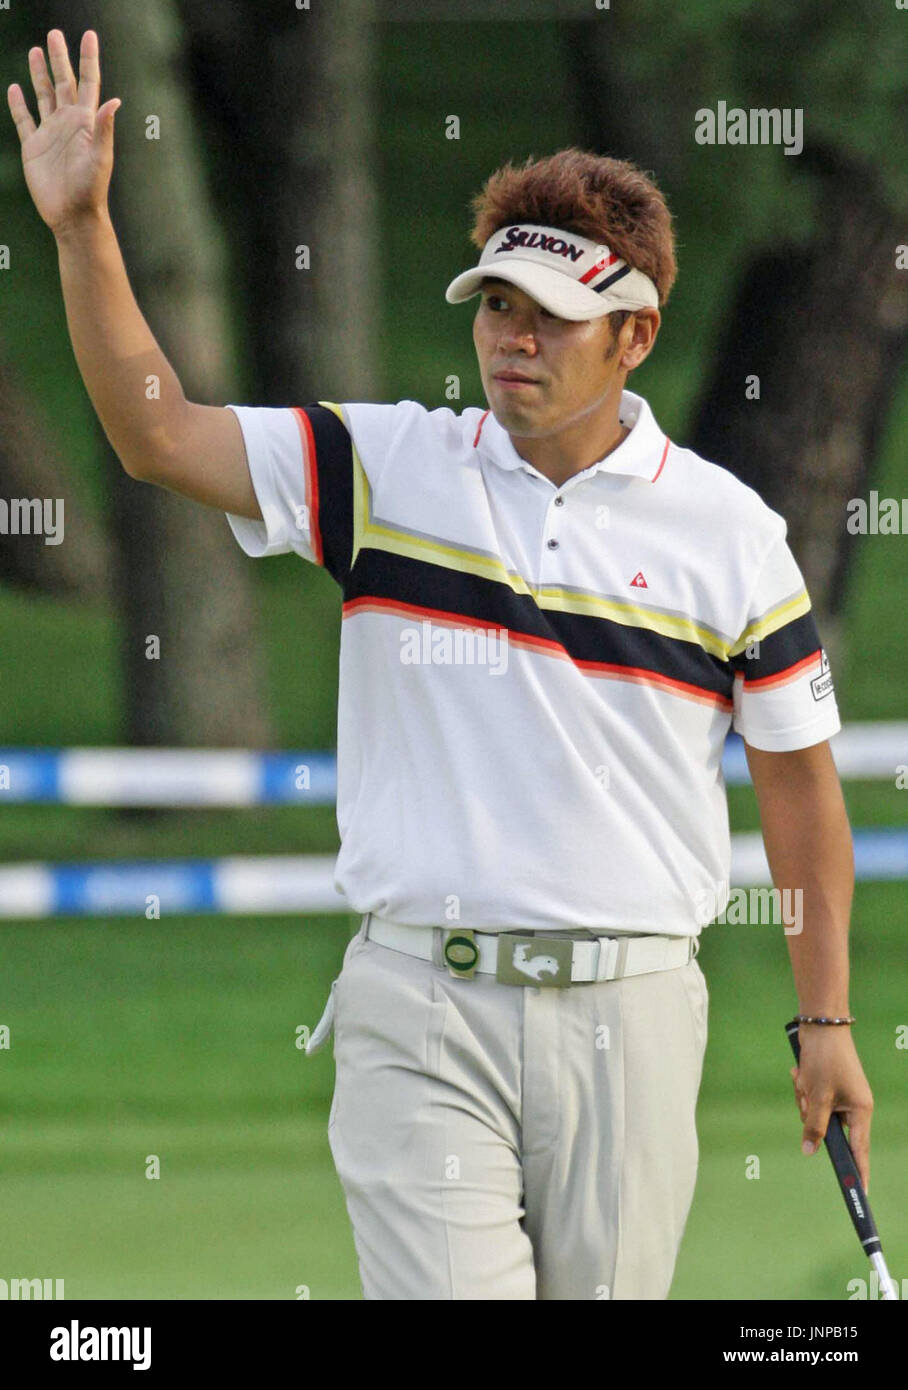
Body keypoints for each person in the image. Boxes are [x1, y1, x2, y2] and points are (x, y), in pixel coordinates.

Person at [9, 28, 874, 1302]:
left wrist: (825, 1020)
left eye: (553, 321)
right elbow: (155, 433)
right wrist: (84, 226)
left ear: (632, 336)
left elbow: (801, 793)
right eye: (500, 310)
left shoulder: (729, 537)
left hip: (626, 1017)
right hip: (419, 1003)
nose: (512, 340)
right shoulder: (382, 467)